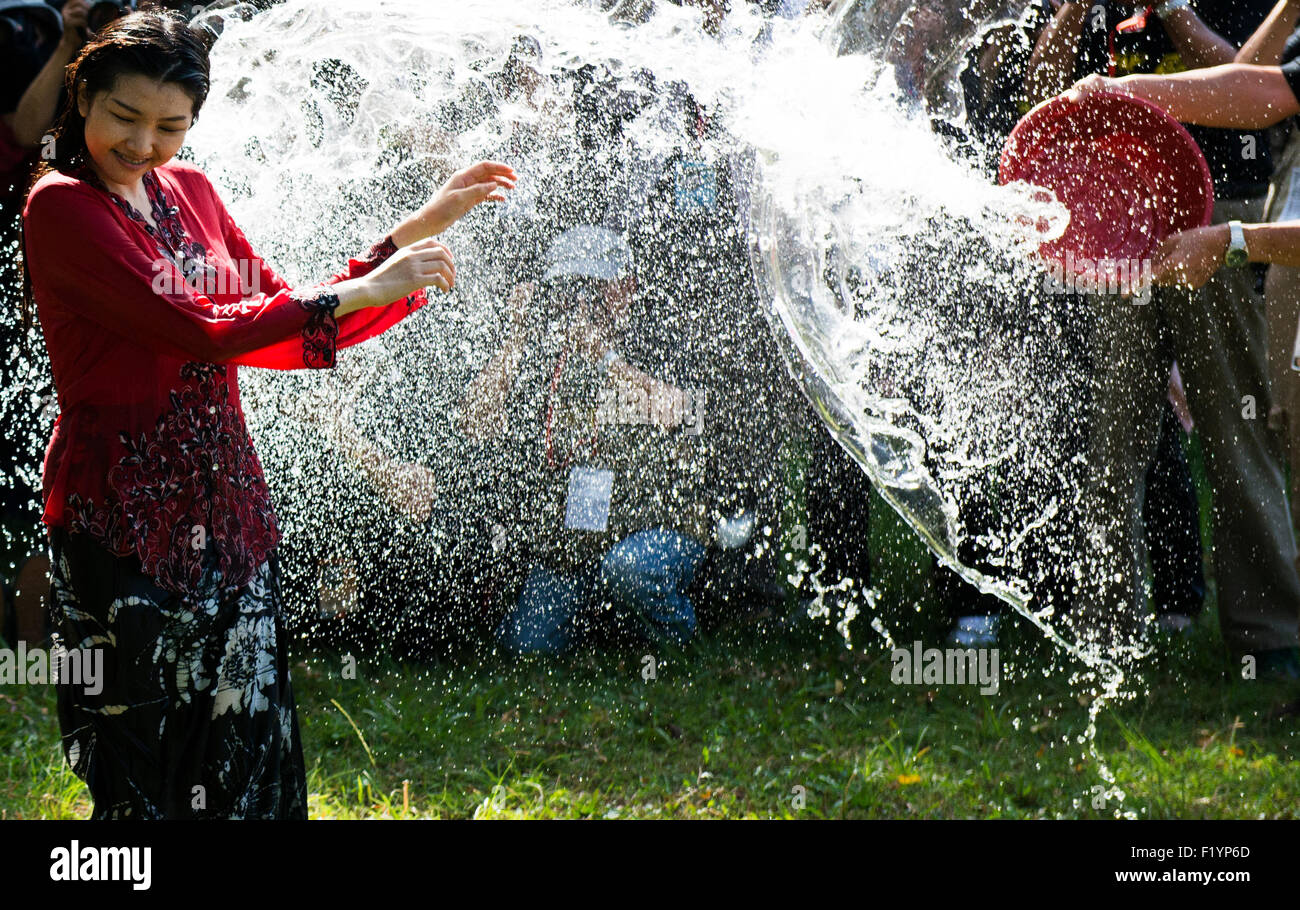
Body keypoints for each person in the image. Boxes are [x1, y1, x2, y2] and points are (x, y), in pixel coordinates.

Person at [20, 8, 515, 817]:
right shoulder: (60, 208)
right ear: (83, 99)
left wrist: (406, 240)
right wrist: (365, 287)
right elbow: (200, 328)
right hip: (124, 527)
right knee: (142, 770)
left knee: (248, 758)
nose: (145, 144)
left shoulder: (194, 192)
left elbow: (276, 319)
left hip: (229, 519)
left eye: (171, 125)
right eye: (124, 117)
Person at [461, 226, 712, 655]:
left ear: (626, 286)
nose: (582, 302)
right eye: (569, 288)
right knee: (529, 647)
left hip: (656, 528)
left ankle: (681, 643)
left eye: (595, 288)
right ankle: (607, 631)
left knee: (629, 572)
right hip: (576, 545)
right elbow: (475, 421)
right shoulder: (548, 349)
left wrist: (607, 360)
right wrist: (515, 338)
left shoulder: (661, 332)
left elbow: (678, 413)